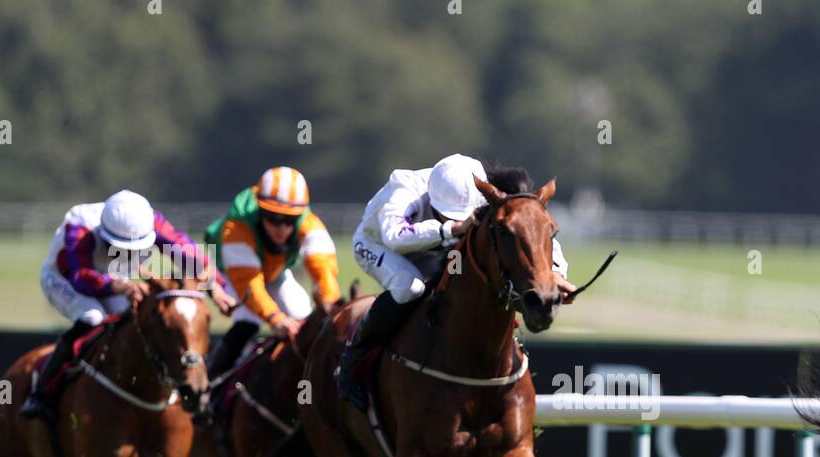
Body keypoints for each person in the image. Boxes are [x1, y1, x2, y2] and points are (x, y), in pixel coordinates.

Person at [335, 154, 576, 411]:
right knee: (411, 287)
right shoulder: (404, 186)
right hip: (379, 244)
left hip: (431, 245)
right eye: (444, 214)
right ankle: (353, 356)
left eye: (459, 215)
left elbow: (533, 226)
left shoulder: (482, 188)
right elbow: (394, 237)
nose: (450, 218)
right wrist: (451, 229)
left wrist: (556, 274)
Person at [21, 190, 227, 420]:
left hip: (114, 278)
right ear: (104, 233)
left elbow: (186, 251)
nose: (130, 253)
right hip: (64, 279)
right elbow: (80, 275)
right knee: (93, 317)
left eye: (136, 247)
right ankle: (42, 392)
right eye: (121, 247)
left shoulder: (151, 221)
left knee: (132, 319)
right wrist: (119, 286)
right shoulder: (80, 227)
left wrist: (215, 285)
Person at [203, 166, 341, 377]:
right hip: (233, 275)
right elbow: (249, 283)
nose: (281, 228)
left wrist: (330, 307)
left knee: (303, 318)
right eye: (273, 217)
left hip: (275, 274)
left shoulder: (310, 224)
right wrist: (276, 319)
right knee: (249, 322)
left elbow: (325, 273)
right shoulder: (237, 228)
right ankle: (212, 386)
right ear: (260, 210)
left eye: (289, 220)